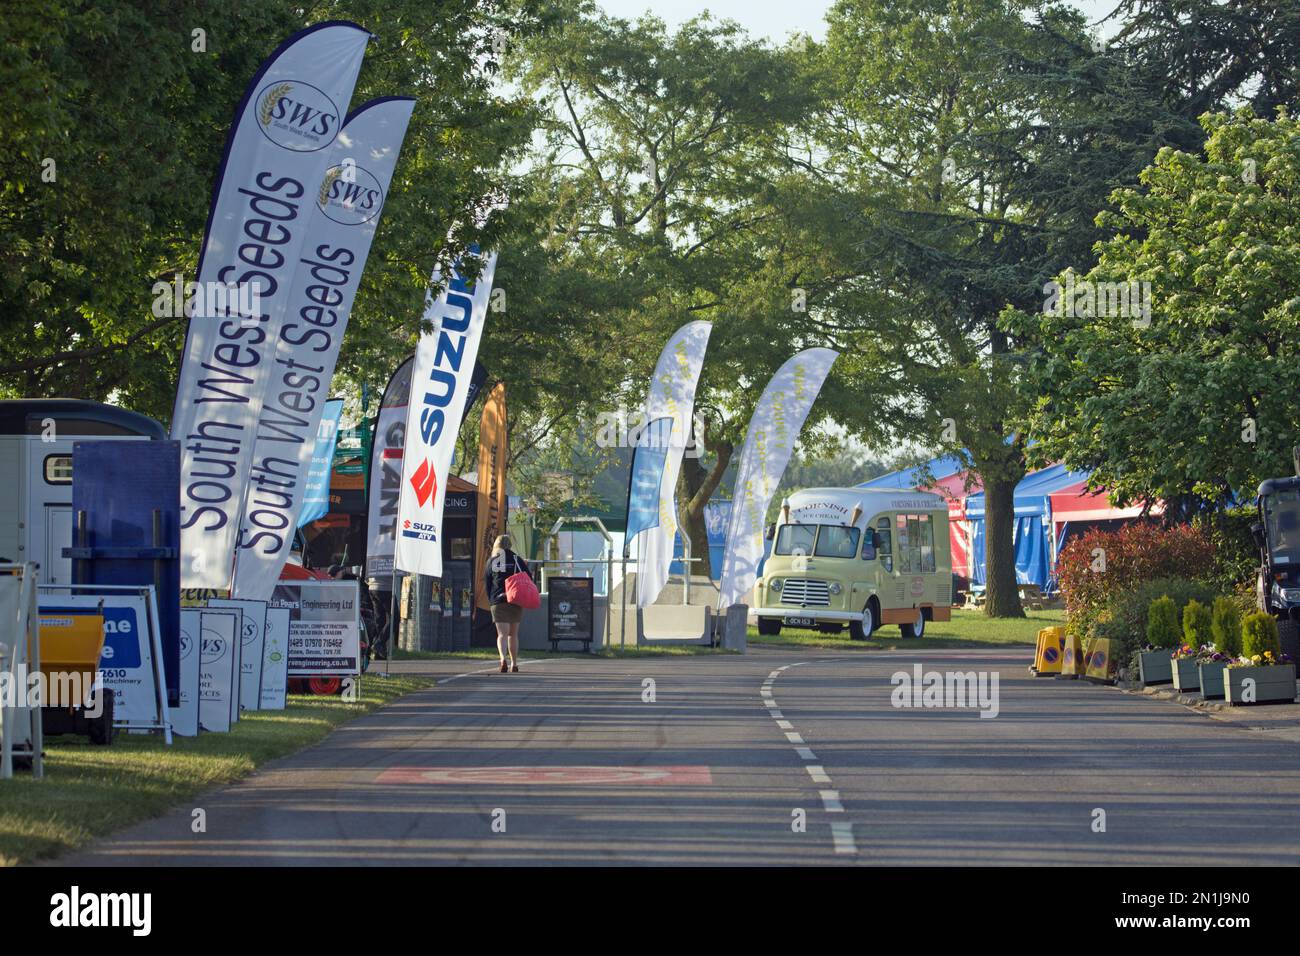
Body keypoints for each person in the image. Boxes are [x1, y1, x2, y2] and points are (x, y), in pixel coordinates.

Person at [485, 534, 529, 673]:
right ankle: (514, 663)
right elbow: (528, 577)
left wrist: (491, 600)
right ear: (510, 544)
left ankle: (503, 659)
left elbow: (487, 583)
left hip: (498, 600)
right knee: (513, 634)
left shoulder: (492, 560)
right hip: (515, 599)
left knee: (502, 634)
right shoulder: (517, 559)